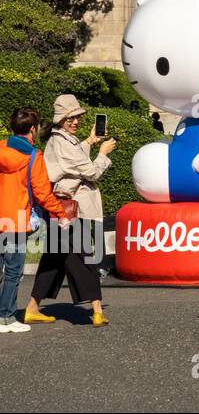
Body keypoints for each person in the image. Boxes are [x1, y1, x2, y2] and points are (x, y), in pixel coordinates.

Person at [25, 95, 114, 327]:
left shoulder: (61, 140)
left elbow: (70, 160)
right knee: (86, 257)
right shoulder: (64, 142)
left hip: (59, 210)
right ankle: (96, 311)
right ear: (60, 119)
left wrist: (90, 141)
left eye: (77, 117)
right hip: (71, 210)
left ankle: (32, 308)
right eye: (70, 118)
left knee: (53, 260)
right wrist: (103, 153)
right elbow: (92, 171)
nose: (75, 121)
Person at [0, 108, 71, 334]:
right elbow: (42, 193)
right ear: (32, 129)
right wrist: (60, 214)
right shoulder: (32, 156)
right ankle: (6, 317)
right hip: (16, 222)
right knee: (13, 271)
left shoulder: (1, 147)